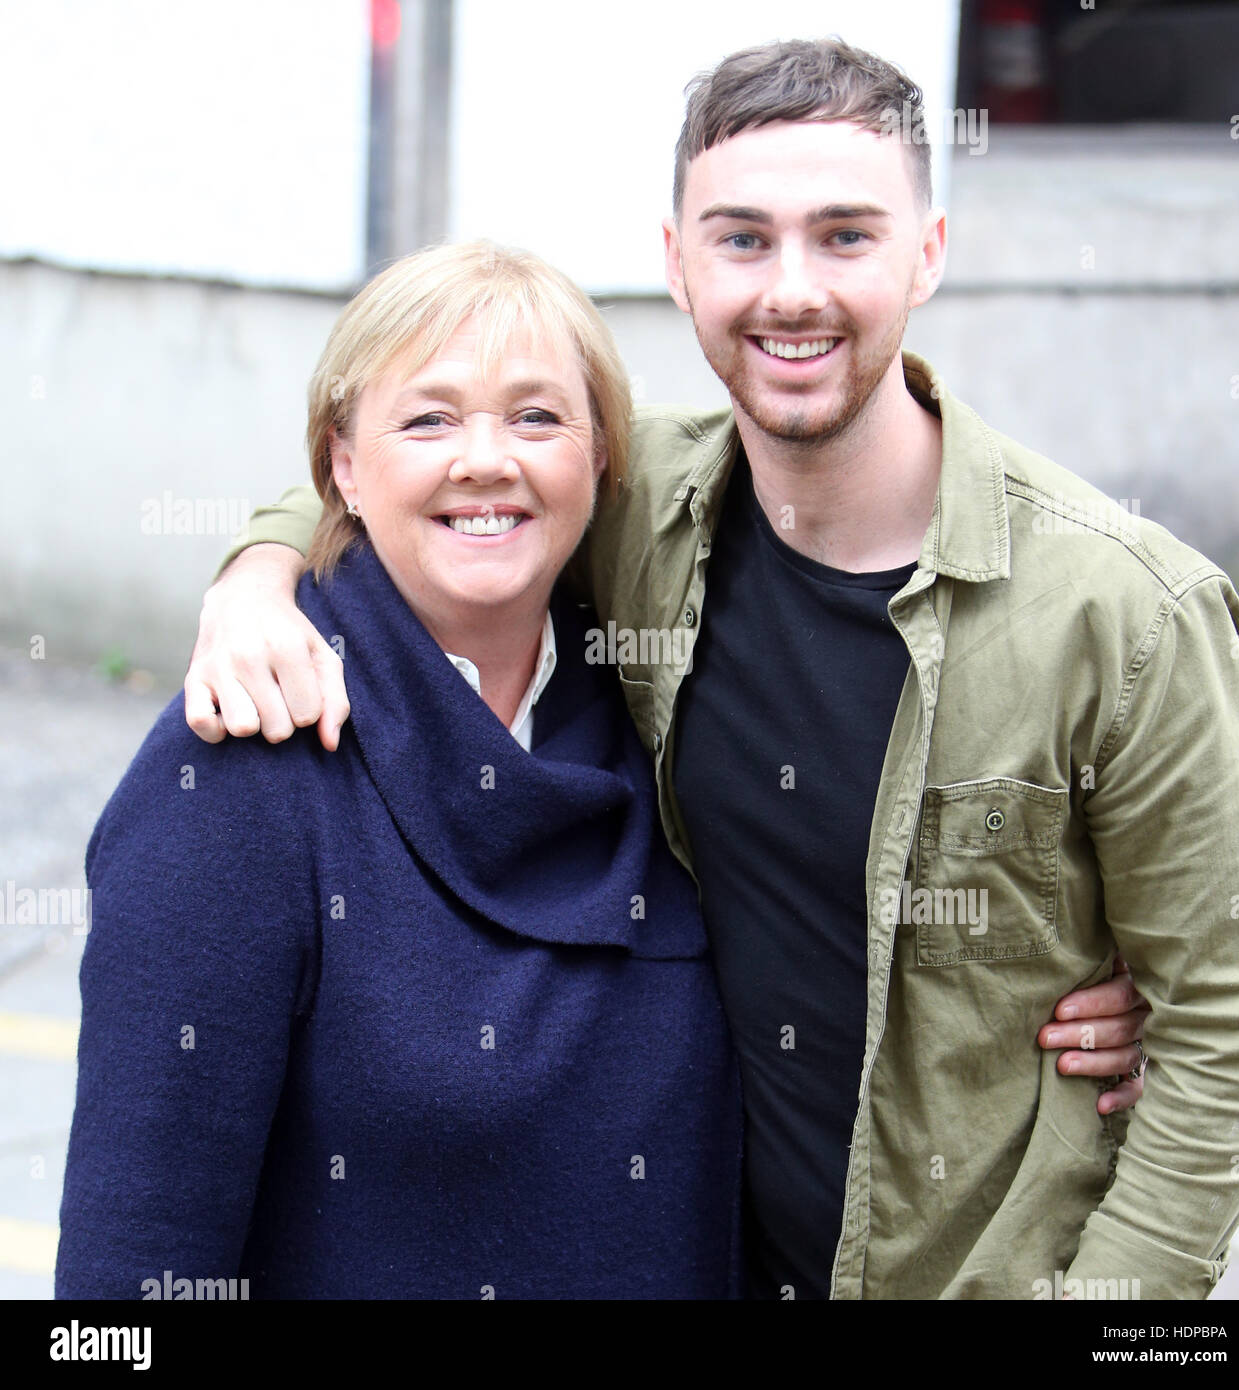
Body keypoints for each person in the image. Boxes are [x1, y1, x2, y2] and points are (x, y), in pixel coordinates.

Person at [183, 40, 1239, 1300]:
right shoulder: (636, 503)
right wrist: (257, 577)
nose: (790, 290)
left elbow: (1226, 1025)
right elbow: (417, 477)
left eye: (845, 236)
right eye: (742, 239)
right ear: (676, 262)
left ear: (927, 251)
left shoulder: (1122, 612)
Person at [55, 241, 744, 1300]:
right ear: (340, 464)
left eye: (535, 416)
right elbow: (129, 1273)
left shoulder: (665, 712)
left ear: (603, 454)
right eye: (427, 419)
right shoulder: (240, 771)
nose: (484, 459)